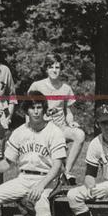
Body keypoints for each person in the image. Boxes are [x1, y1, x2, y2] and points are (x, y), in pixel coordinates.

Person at [28, 53, 86, 184]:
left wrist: (71, 122)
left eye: (57, 67)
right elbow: (28, 109)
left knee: (80, 135)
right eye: (51, 67)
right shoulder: (37, 86)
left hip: (61, 129)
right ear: (46, 69)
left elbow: (69, 111)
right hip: (43, 129)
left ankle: (67, 172)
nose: (54, 70)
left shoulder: (66, 88)